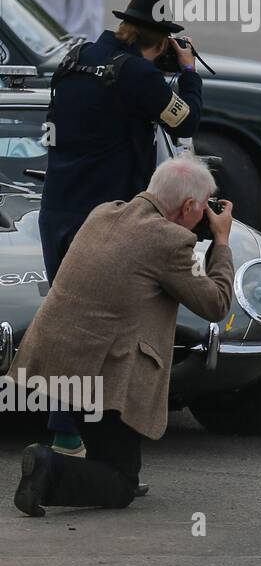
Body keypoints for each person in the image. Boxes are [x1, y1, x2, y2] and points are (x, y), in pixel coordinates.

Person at [9, 156, 235, 516]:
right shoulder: (171, 242)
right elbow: (216, 303)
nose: (204, 215)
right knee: (121, 485)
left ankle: (84, 470)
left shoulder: (104, 212)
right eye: (203, 207)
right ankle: (48, 470)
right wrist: (221, 240)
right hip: (102, 373)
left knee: (111, 458)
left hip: (60, 357)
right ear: (189, 205)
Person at [37, 0, 203, 457]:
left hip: (58, 209)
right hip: (109, 218)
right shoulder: (138, 75)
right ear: (162, 41)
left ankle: (68, 436)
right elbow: (185, 122)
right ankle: (104, 446)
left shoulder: (76, 58)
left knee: (69, 320)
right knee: (119, 328)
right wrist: (187, 73)